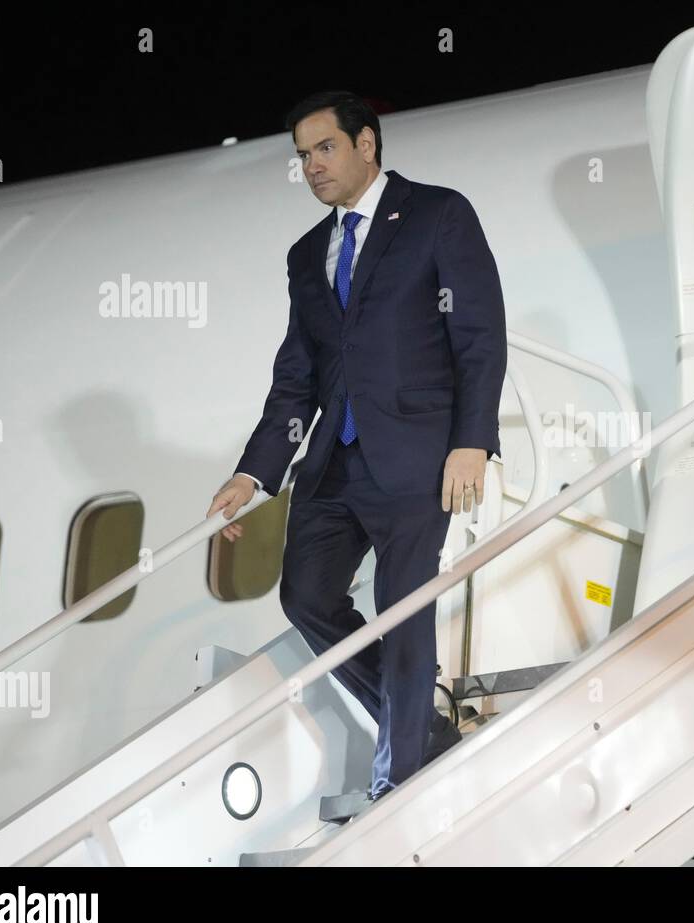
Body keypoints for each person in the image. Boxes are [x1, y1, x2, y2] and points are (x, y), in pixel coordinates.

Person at [207, 90, 507, 802]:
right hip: (334, 466)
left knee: (402, 609)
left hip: (418, 455)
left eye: (324, 148)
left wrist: (472, 441)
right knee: (306, 595)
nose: (312, 167)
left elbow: (478, 336)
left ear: (367, 144)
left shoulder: (437, 214)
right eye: (303, 156)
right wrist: (254, 473)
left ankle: (398, 773)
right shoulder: (307, 254)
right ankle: (419, 731)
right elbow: (297, 378)